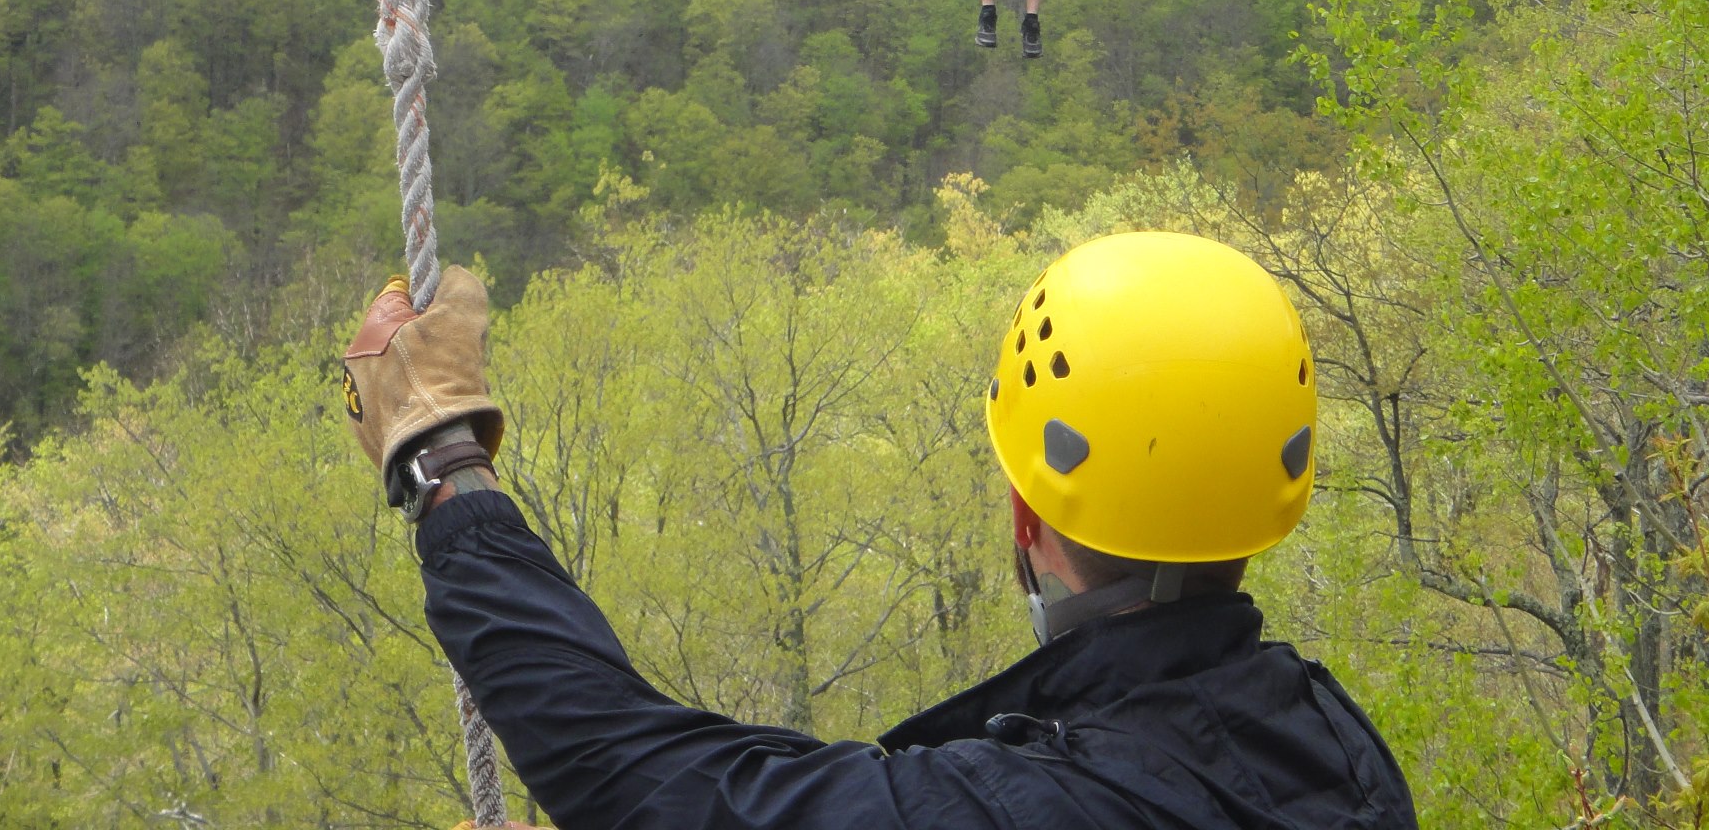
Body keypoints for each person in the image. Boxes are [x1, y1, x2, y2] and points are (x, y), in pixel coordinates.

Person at [341, 232, 1420, 830]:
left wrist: (444, 466)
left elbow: (638, 774)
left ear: (1025, 513)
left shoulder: (1042, 804)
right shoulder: (1337, 753)